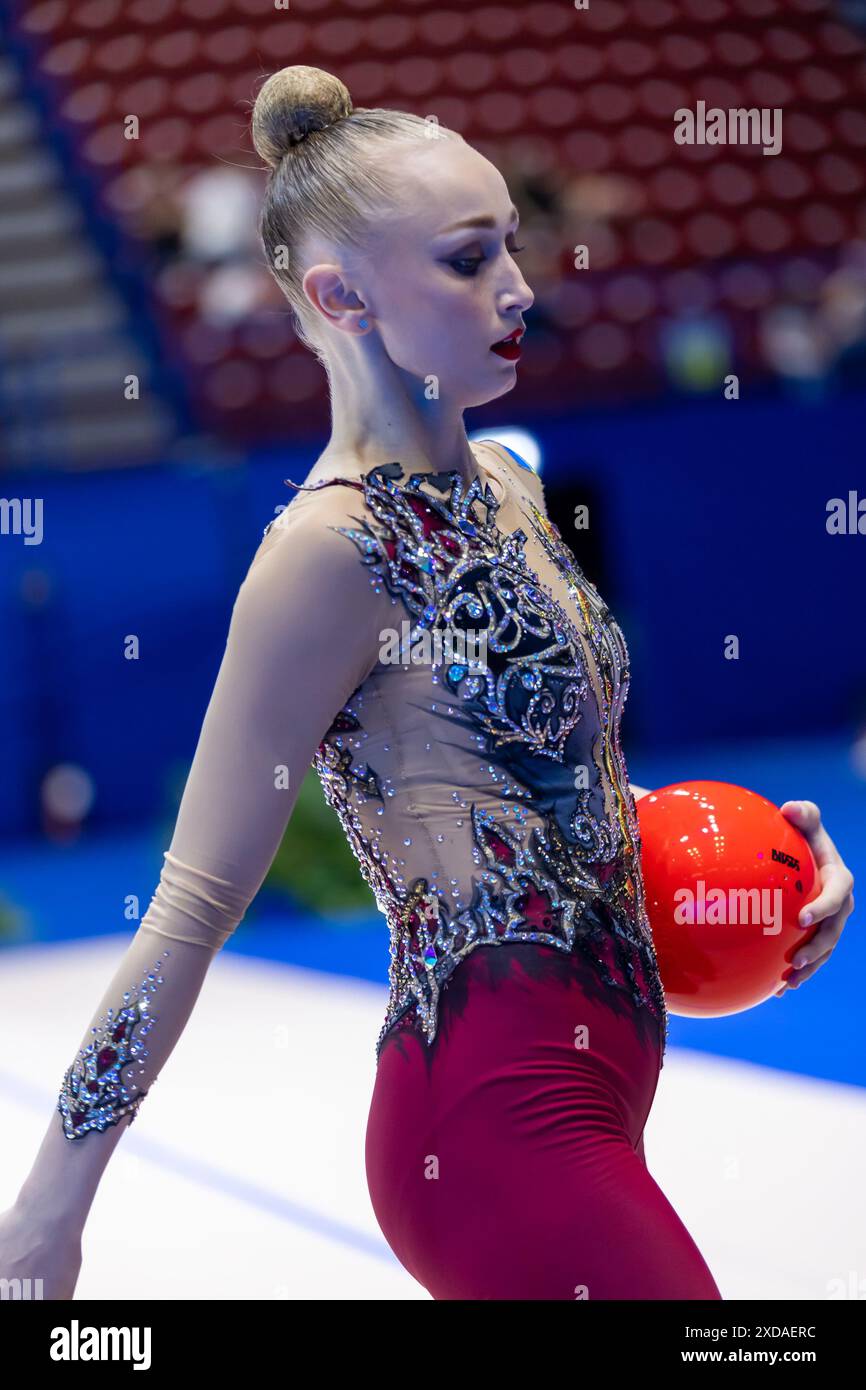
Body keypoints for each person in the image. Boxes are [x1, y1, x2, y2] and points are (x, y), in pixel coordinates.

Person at [0, 65, 855, 1301]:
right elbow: (190, 905)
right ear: (342, 296)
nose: (515, 288)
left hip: (597, 1081)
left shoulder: (504, 481)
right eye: (466, 261)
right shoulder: (322, 553)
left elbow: (556, 796)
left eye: (510, 243)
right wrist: (45, 1214)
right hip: (490, 1126)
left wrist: (759, 882)